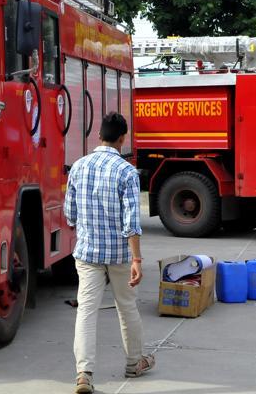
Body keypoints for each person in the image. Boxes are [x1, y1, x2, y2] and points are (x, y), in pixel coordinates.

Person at [64, 112, 154, 394]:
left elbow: (70, 215)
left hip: (87, 254)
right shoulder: (127, 172)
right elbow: (131, 222)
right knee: (127, 308)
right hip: (119, 256)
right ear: (122, 138)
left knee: (86, 312)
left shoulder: (78, 166)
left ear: (99, 136)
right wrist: (137, 259)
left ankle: (84, 374)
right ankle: (134, 363)